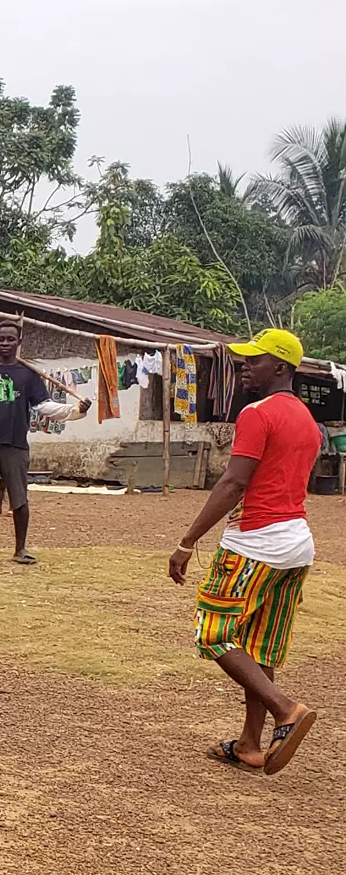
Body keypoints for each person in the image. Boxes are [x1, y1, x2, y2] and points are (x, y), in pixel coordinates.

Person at [170, 330, 320, 776]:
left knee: (212, 632)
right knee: (258, 646)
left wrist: (187, 542)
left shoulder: (258, 414)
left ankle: (286, 710)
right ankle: (250, 744)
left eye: (254, 360)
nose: (243, 366)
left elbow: (234, 483)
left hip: (254, 542)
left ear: (281, 367)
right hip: (296, 544)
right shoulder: (307, 421)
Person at [0, 320, 89, 564]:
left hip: (15, 444)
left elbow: (44, 407)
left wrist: (76, 411)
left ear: (19, 342)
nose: (6, 344)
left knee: (19, 499)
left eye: (11, 339)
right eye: (1, 339)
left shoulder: (28, 374)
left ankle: (20, 549)